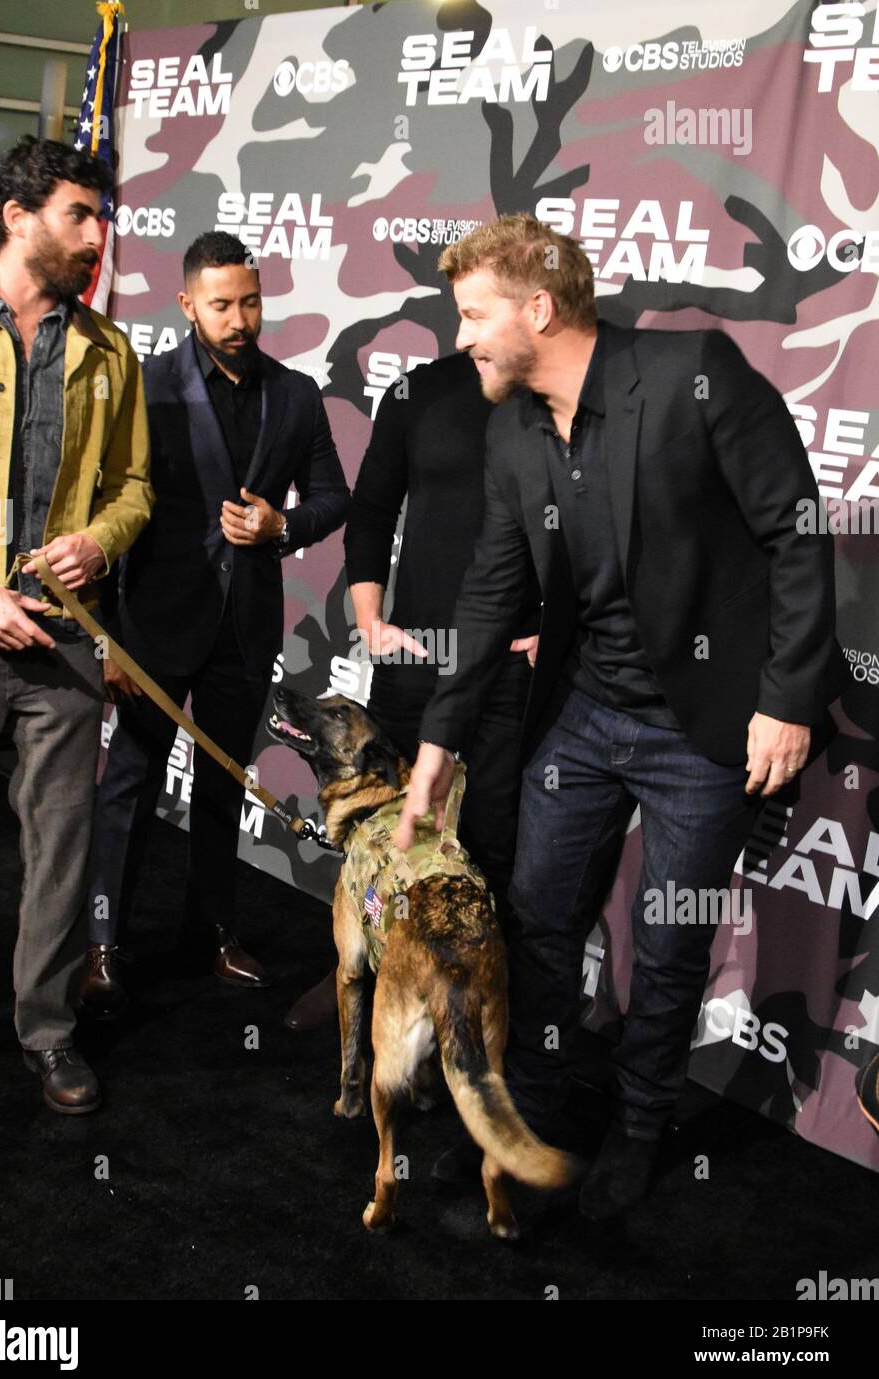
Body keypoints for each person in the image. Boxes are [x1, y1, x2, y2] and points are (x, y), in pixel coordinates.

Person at [395, 213, 845, 1219]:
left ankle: (643, 1126)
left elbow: (795, 532)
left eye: (473, 315)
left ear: (539, 308)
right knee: (541, 916)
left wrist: (784, 700)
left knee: (669, 938)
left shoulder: (694, 374)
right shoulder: (512, 428)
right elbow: (488, 594)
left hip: (705, 727)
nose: (459, 337)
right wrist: (435, 747)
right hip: (584, 714)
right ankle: (545, 1103)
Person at [0, 136, 153, 1113]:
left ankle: (49, 1034)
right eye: (79, 213)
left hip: (63, 647)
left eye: (101, 215)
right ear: (18, 216)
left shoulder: (109, 351)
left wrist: (99, 545)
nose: (99, 234)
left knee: (62, 851)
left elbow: (135, 485)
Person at [81, 232, 350, 1018]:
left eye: (251, 301)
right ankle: (103, 946)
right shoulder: (146, 385)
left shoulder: (296, 393)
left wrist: (282, 528)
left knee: (222, 786)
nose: (240, 319)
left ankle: (211, 930)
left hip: (245, 627)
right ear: (187, 304)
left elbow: (333, 498)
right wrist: (104, 633)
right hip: (152, 623)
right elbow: (106, 508)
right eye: (222, 304)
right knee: (126, 785)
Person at [283, 351, 540, 1031]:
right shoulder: (419, 389)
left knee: (488, 845)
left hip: (512, 667)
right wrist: (370, 618)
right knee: (382, 840)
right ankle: (359, 971)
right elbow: (370, 509)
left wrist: (559, 627)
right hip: (416, 656)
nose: (472, 321)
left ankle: (471, 1013)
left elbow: (598, 521)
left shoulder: (557, 388)